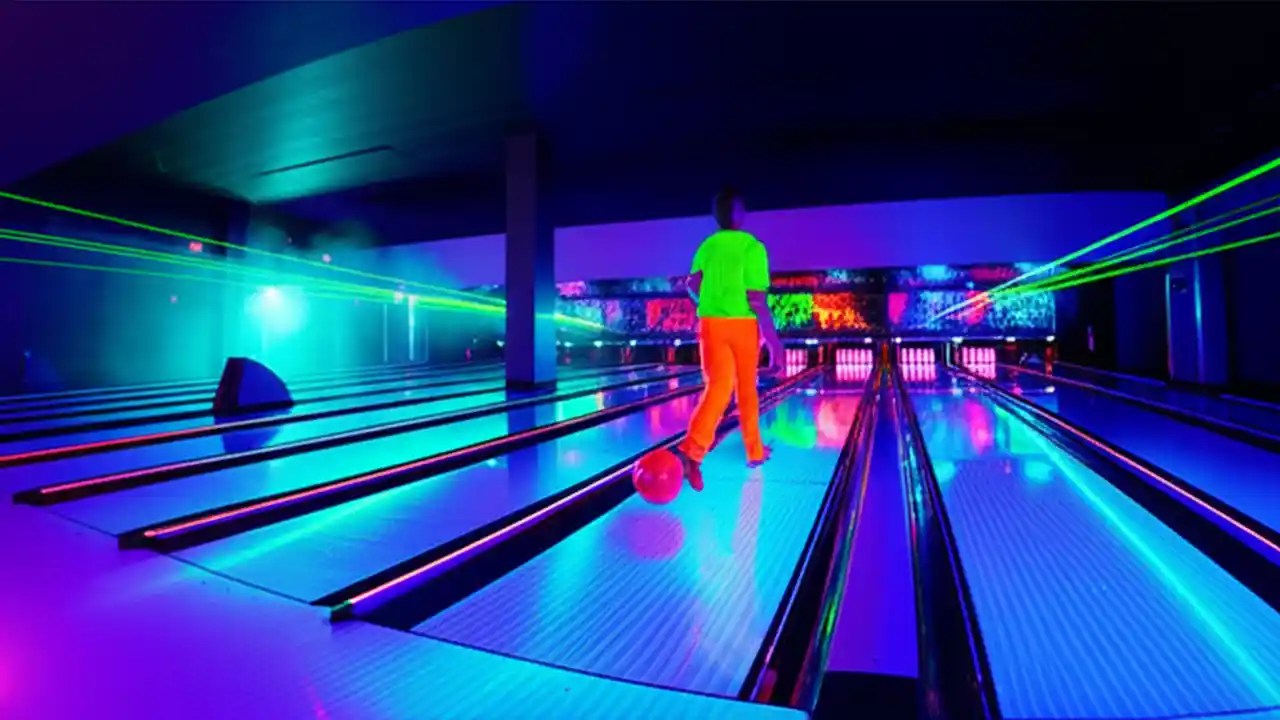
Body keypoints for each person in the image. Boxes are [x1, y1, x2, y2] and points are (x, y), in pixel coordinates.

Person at [674, 188, 785, 491]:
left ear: (717, 217)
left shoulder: (707, 246)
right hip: (743, 326)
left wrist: (707, 301)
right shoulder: (752, 247)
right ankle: (754, 451)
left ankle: (692, 452)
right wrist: (774, 342)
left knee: (718, 389)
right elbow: (758, 300)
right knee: (746, 388)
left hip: (711, 324)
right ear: (740, 214)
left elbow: (692, 284)